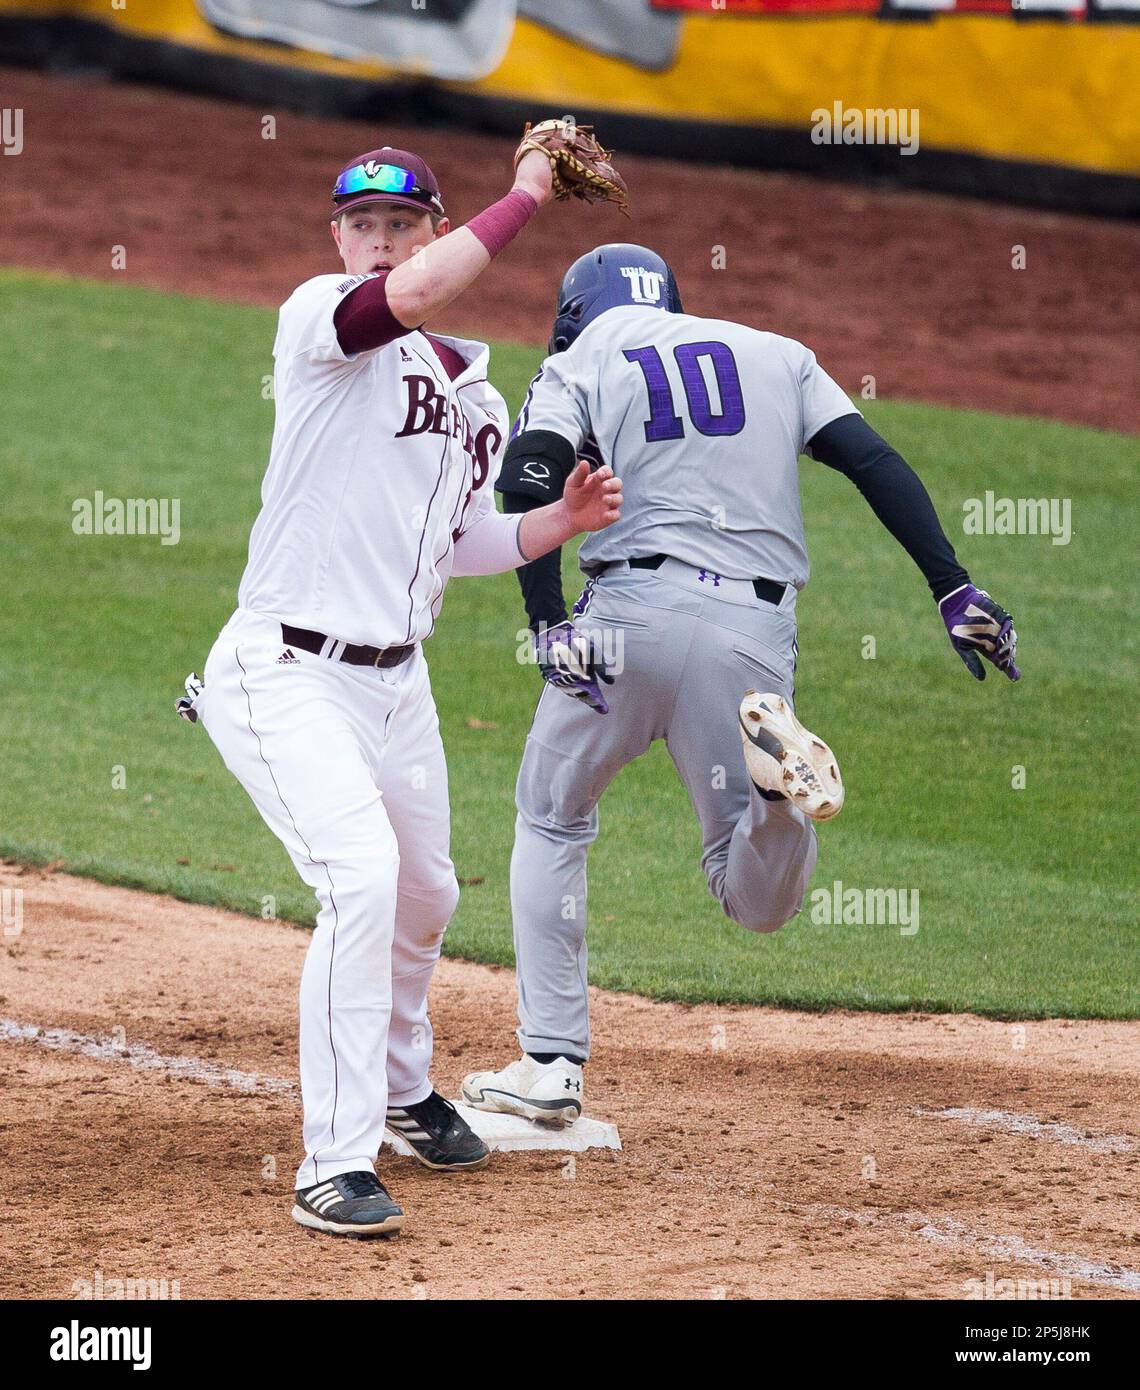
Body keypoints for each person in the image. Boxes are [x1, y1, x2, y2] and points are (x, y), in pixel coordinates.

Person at [461, 242, 1019, 1125]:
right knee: (751, 899)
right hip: (752, 641)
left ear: (573, 313)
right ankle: (771, 794)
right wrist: (951, 586)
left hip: (625, 622)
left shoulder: (580, 360)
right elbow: (875, 464)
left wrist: (547, 621)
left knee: (552, 815)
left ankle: (552, 1063)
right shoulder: (777, 354)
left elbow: (528, 476)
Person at [180, 146, 622, 1237]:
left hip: (397, 684)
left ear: (428, 226)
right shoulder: (322, 319)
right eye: (362, 223)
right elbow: (410, 300)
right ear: (340, 239)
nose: (380, 239)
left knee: (427, 895)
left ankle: (400, 1090)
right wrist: (527, 194)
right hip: (286, 670)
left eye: (401, 221)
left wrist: (551, 525)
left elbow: (458, 536)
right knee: (362, 880)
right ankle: (331, 1164)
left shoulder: (475, 391)